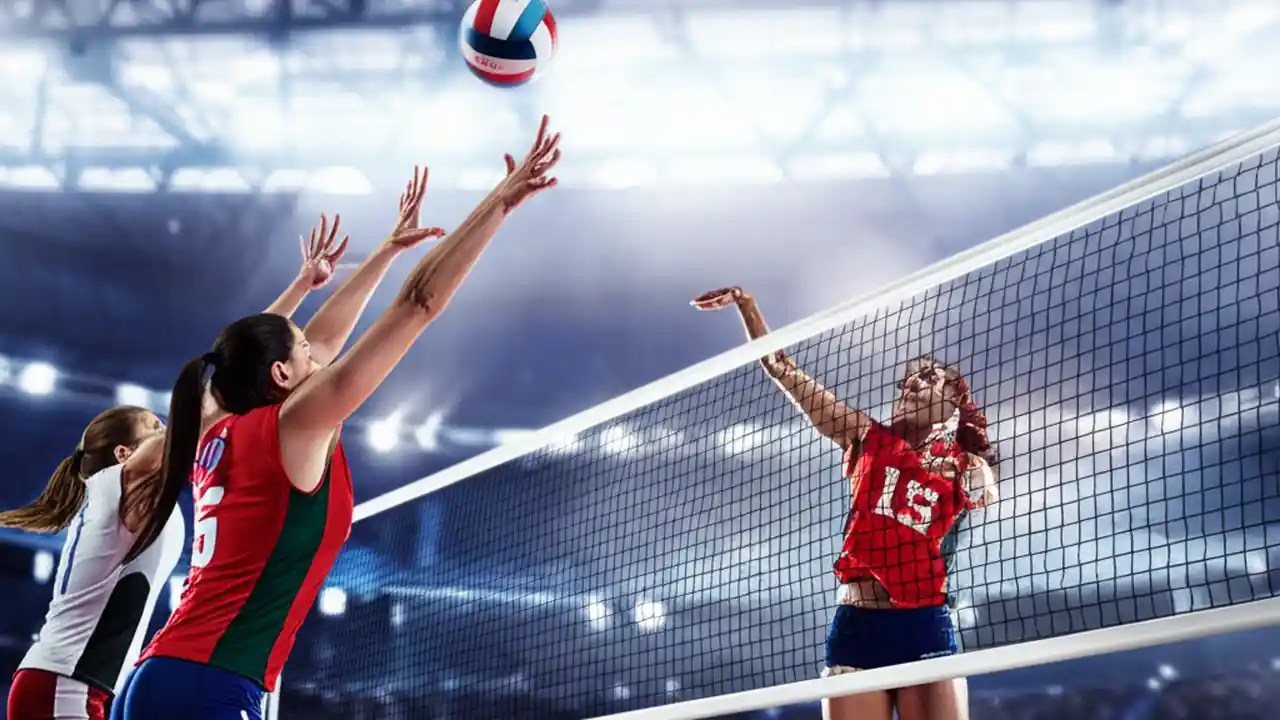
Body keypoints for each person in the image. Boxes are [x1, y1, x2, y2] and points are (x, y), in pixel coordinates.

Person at [114, 117, 561, 720]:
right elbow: (419, 304)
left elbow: (310, 340)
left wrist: (384, 252)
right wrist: (498, 204)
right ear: (280, 377)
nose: (320, 356)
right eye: (305, 355)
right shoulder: (292, 427)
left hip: (164, 677)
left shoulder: (217, 432)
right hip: (207, 686)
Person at [2, 227, 348, 720]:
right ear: (125, 454)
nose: (165, 431)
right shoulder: (120, 483)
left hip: (74, 684)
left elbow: (237, 367)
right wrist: (287, 311)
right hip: (67, 686)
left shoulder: (124, 500)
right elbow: (217, 393)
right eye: (153, 429)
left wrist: (301, 289)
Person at [692, 286, 999, 720]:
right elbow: (782, 368)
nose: (913, 383)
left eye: (930, 379)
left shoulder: (960, 465)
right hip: (859, 623)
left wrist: (968, 468)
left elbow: (987, 489)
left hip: (923, 624)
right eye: (909, 380)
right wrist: (748, 305)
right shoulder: (866, 437)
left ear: (954, 405)